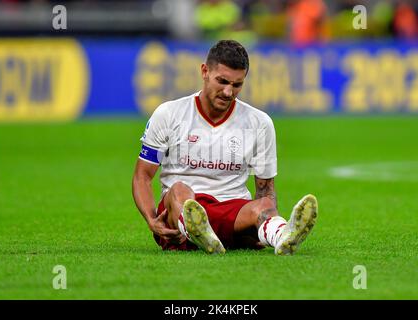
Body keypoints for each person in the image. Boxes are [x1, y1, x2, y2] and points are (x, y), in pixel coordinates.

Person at [132, 40, 318, 255]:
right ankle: (198, 229)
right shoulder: (169, 114)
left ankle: (282, 236)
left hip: (232, 208)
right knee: (179, 190)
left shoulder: (259, 122)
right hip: (178, 214)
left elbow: (266, 188)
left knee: (264, 204)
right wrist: (151, 219)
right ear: (204, 71)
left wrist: (261, 221)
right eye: (222, 81)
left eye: (237, 85)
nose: (228, 92)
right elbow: (142, 176)